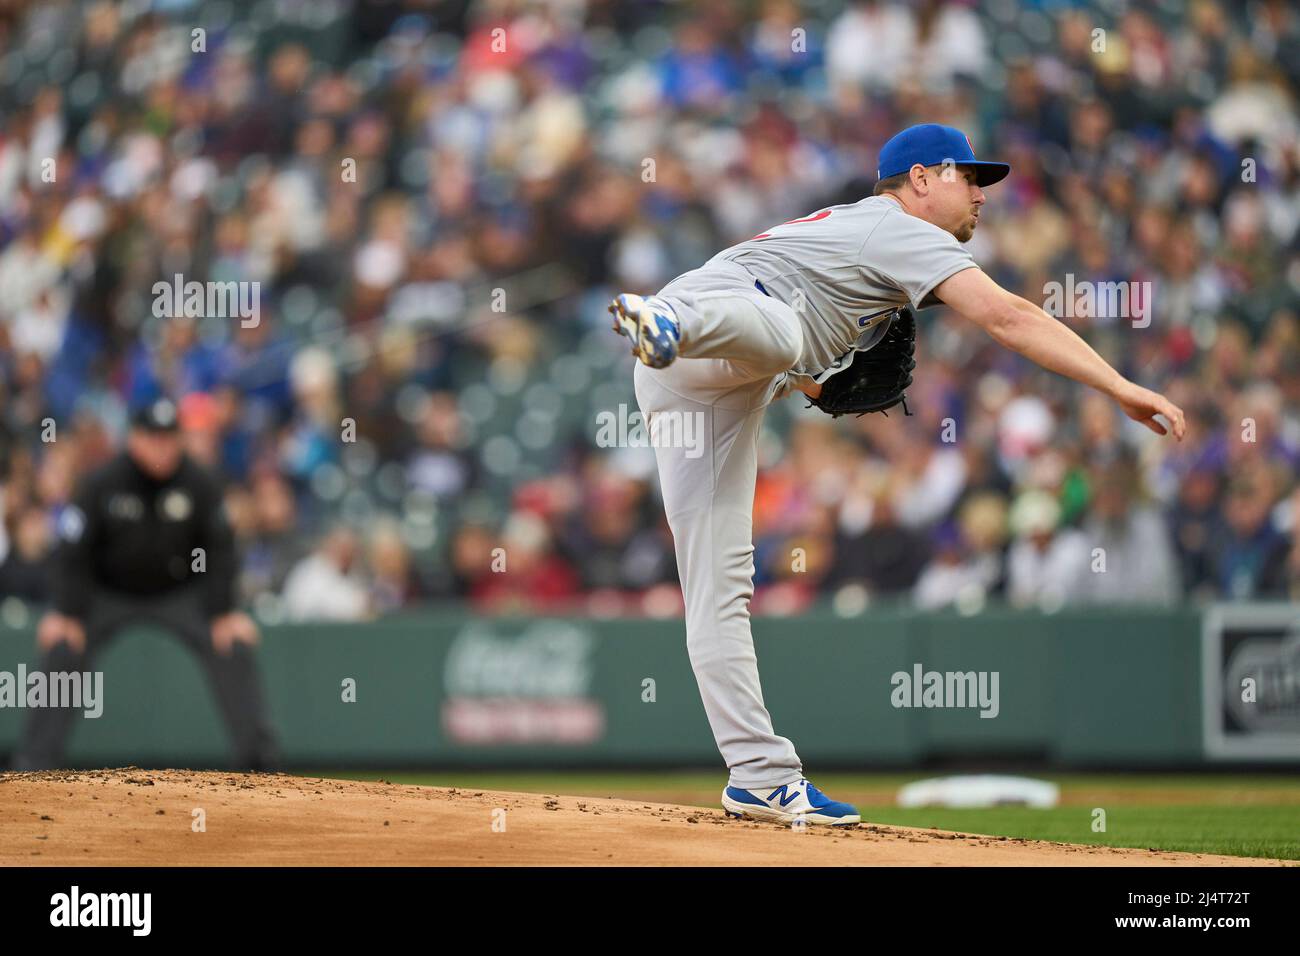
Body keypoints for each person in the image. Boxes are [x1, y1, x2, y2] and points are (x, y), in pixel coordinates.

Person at [609, 123, 1185, 826]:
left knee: (718, 588)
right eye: (967, 177)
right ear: (920, 179)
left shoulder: (868, 249)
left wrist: (822, 387)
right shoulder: (896, 227)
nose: (980, 193)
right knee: (786, 331)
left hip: (705, 384)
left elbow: (801, 371)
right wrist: (1117, 384)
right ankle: (666, 317)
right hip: (707, 330)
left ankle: (759, 776)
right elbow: (1007, 315)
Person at [11, 398, 279, 771]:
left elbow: (221, 550)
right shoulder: (101, 483)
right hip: (107, 593)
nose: (162, 446)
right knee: (62, 646)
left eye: (170, 437)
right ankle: (34, 765)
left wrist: (223, 611)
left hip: (180, 593)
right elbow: (71, 551)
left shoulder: (200, 483)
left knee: (232, 644)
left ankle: (259, 766)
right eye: (153, 437)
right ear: (134, 438)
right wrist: (67, 611)